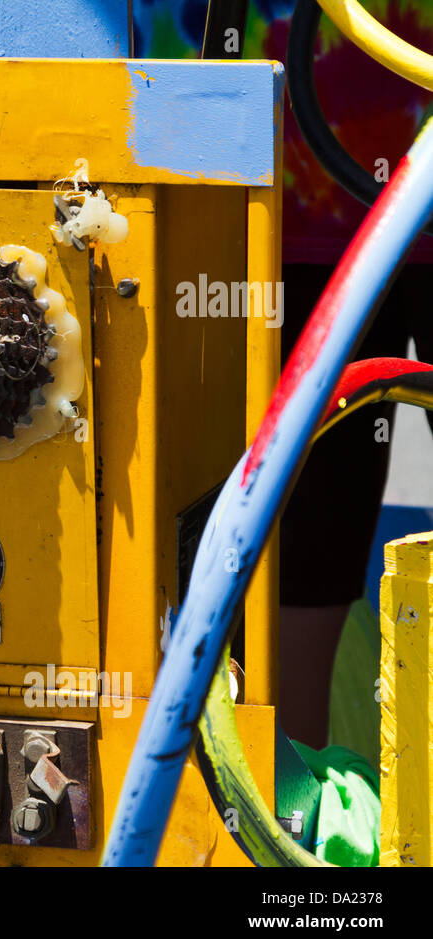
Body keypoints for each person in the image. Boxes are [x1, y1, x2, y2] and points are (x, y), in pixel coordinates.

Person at [137, 0, 433, 747]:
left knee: (306, 533)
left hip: (335, 163)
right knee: (297, 535)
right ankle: (290, 785)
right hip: (266, 193)